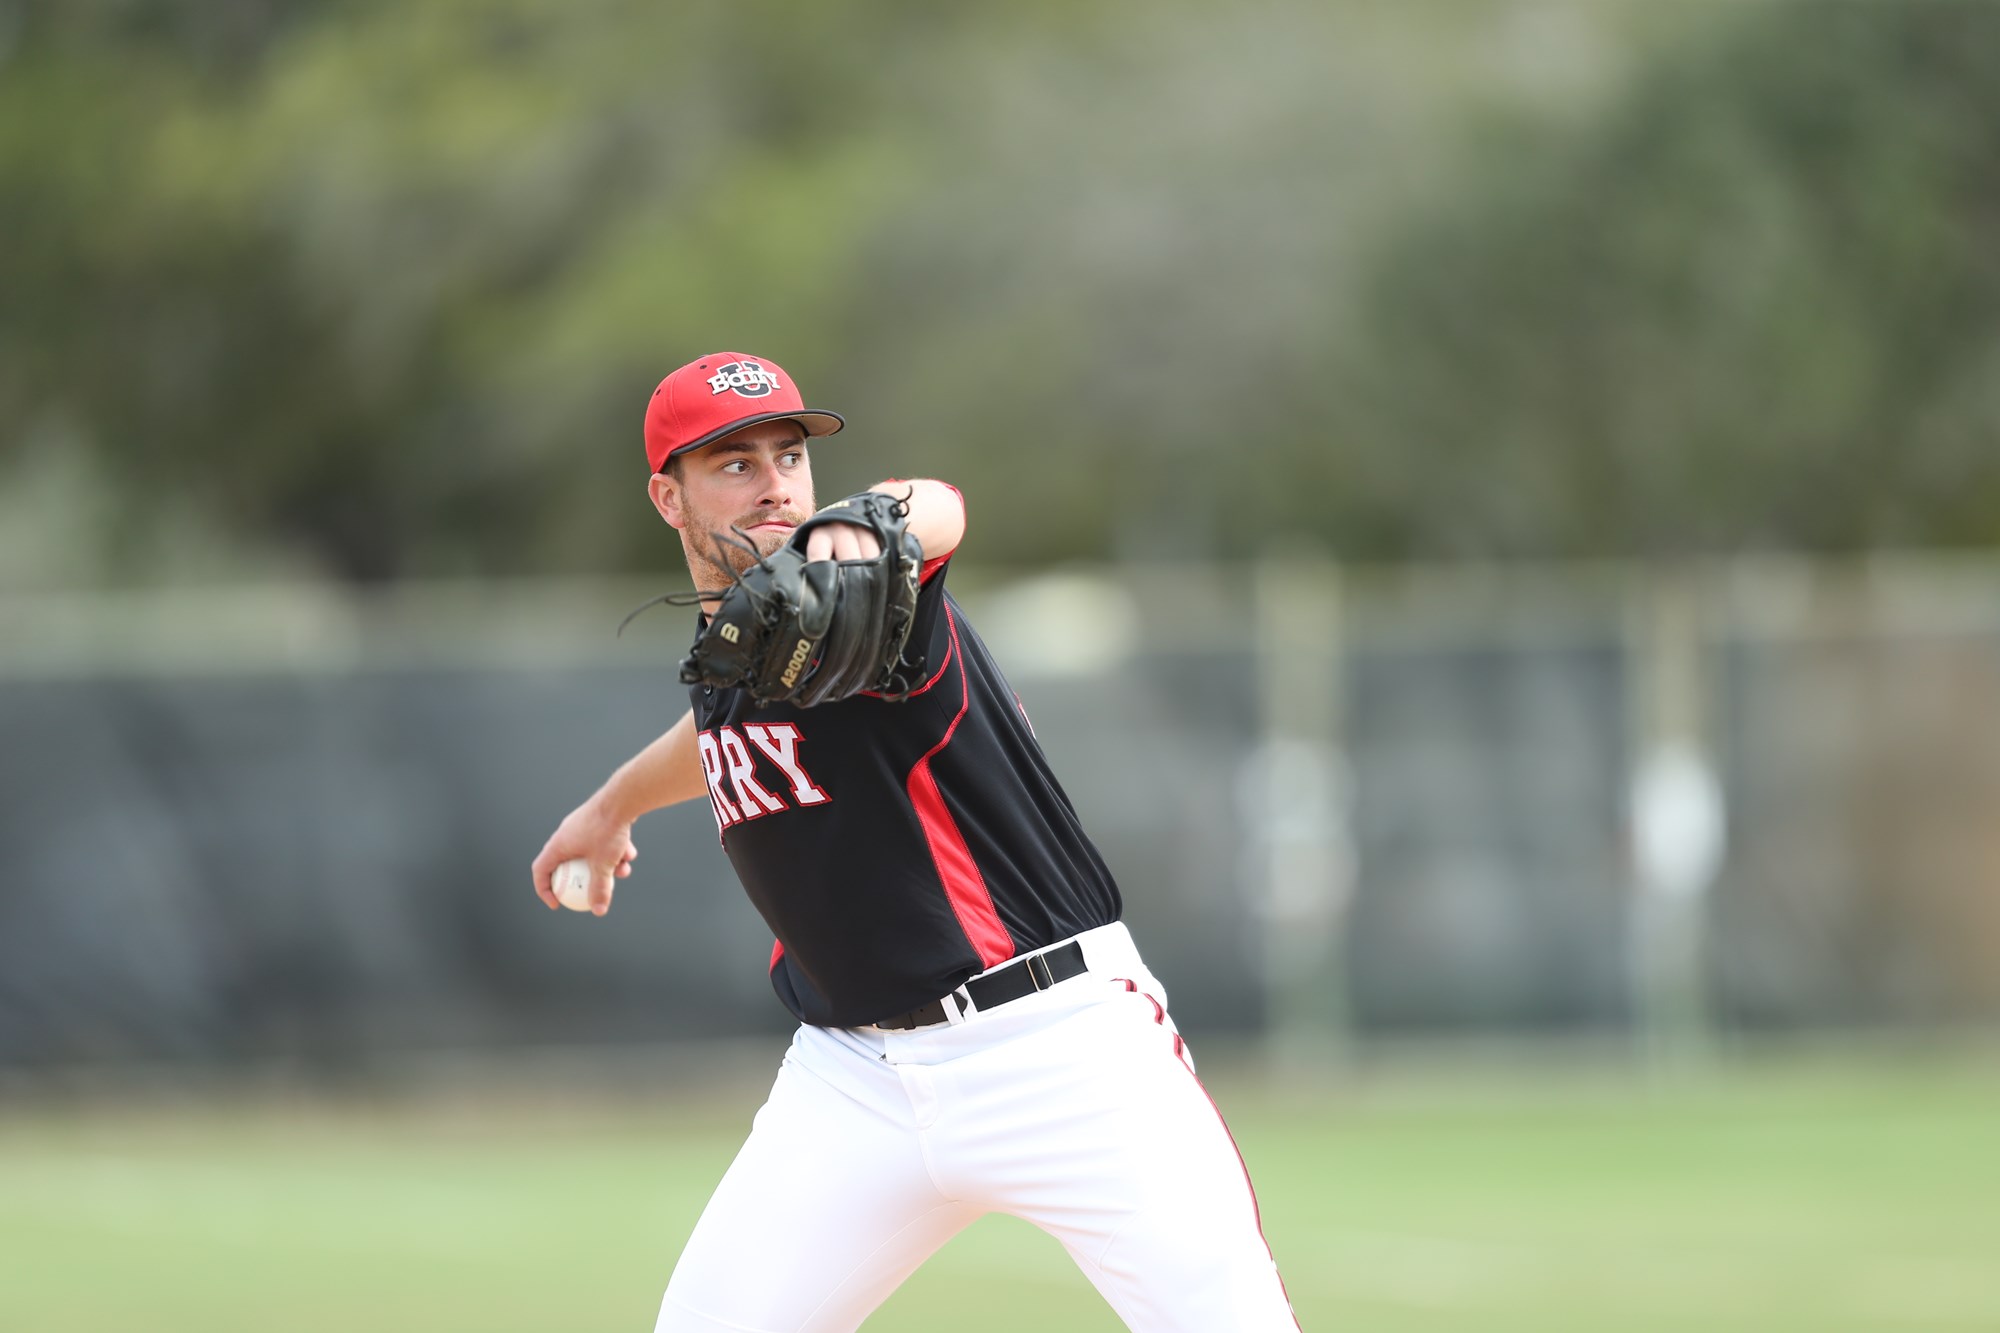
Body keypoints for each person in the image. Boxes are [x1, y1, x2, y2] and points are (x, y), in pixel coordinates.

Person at [531, 352, 1299, 1331]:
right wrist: (611, 808)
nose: (774, 483)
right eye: (734, 463)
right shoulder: (742, 651)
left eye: (788, 456)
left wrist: (859, 528)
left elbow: (934, 507)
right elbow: (718, 734)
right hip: (854, 1083)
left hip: (1055, 1044)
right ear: (667, 497)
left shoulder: (869, 596)